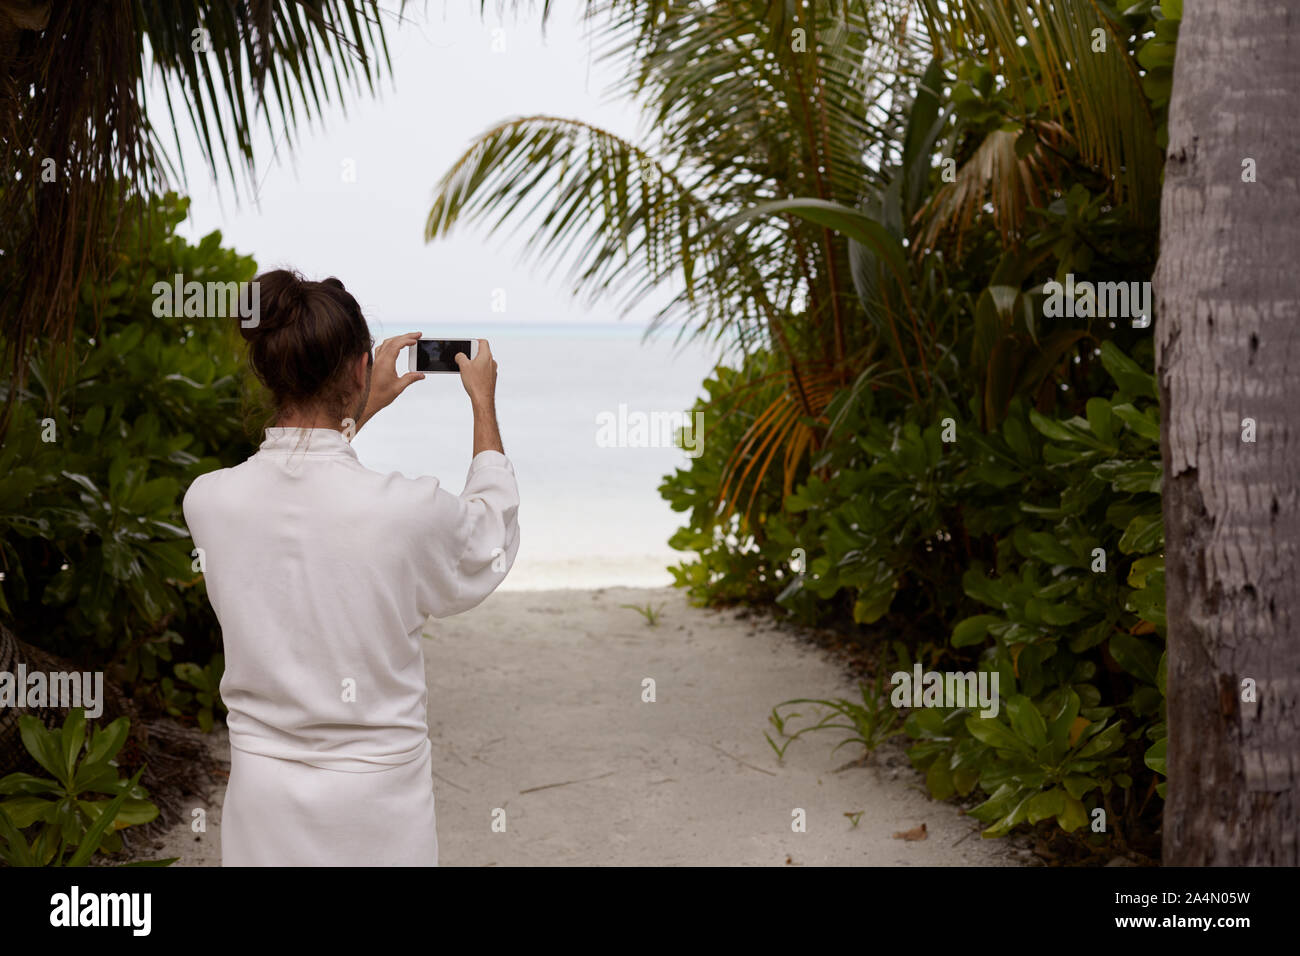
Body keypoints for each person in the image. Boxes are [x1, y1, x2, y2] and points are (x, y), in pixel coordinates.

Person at [182, 269, 520, 866]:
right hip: (379, 801)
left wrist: (354, 411)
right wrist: (483, 406)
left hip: (263, 796)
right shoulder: (405, 511)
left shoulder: (208, 502)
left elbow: (299, 483)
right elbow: (488, 537)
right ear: (361, 369)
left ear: (267, 369)